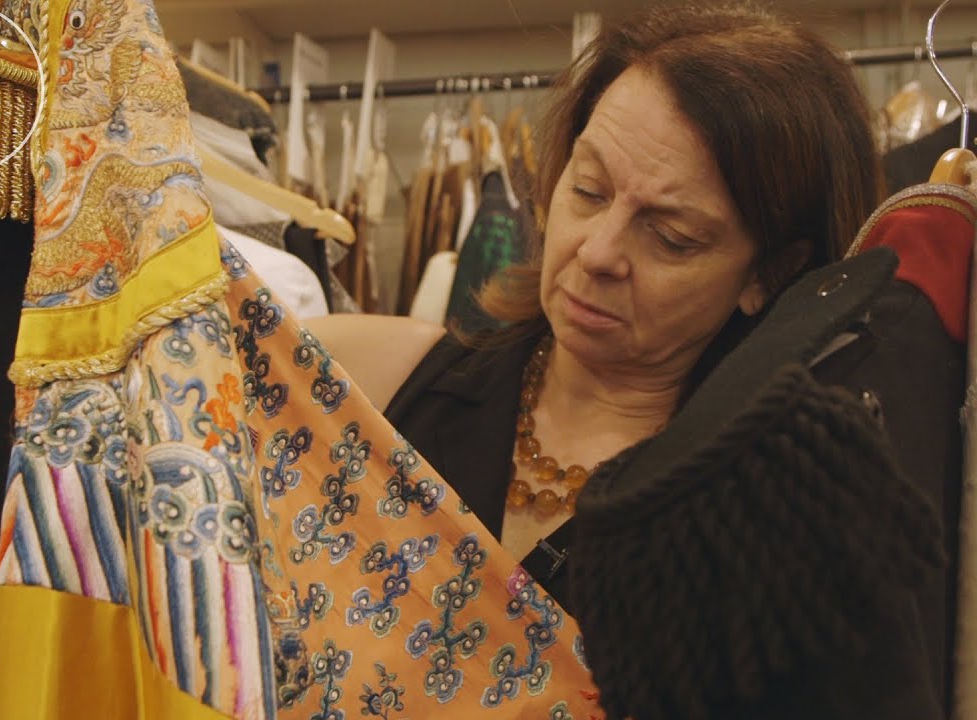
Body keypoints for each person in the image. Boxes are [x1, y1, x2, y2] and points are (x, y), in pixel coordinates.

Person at [310, 3, 958, 718]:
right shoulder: (357, 380)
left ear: (767, 275)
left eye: (671, 237)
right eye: (588, 190)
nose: (596, 251)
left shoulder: (765, 524)